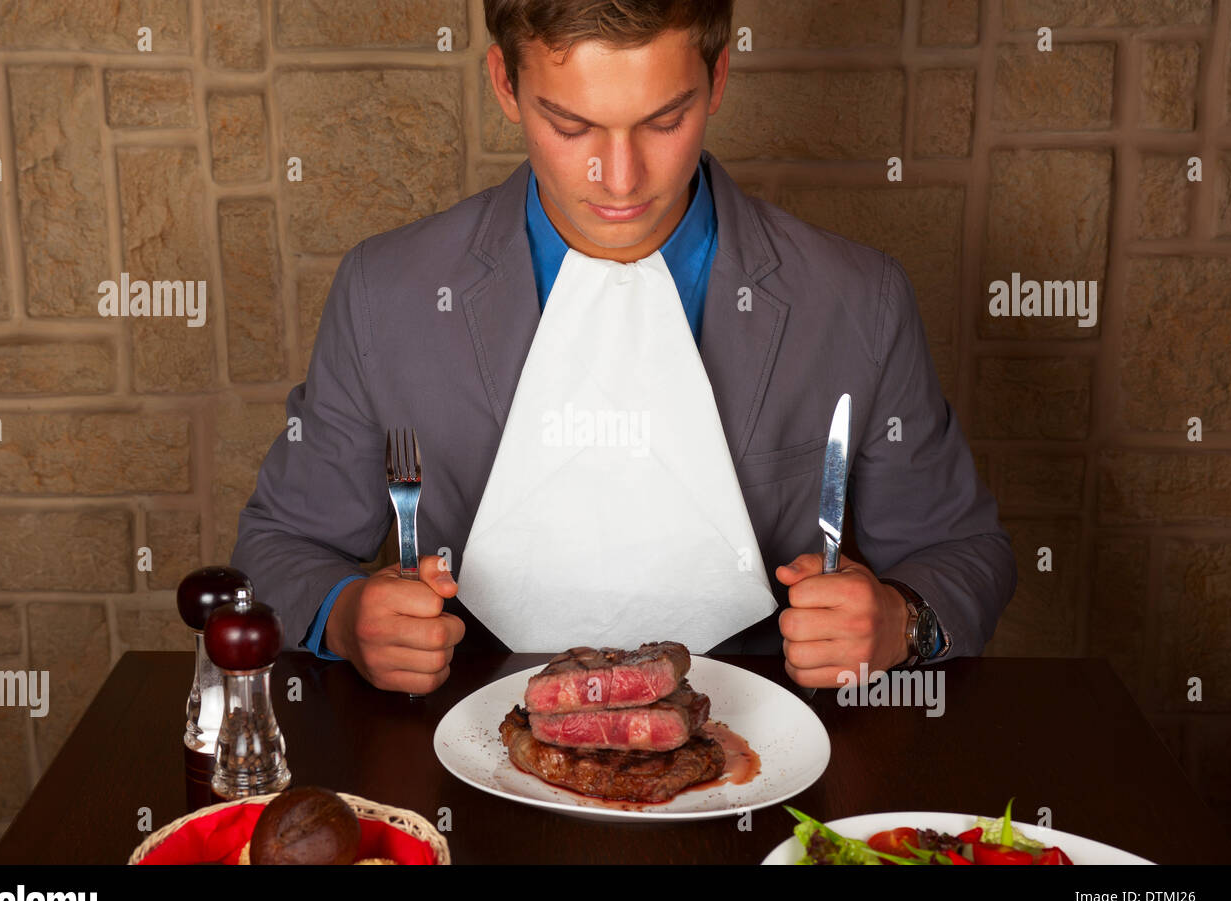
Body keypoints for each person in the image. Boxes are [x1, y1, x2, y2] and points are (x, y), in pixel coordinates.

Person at [231, 0, 1016, 695]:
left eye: (664, 121)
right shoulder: (386, 294)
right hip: (466, 776)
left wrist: (901, 621)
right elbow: (277, 546)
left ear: (717, 78)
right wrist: (344, 618)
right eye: (571, 126)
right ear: (504, 83)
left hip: (759, 780)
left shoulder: (857, 299)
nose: (620, 176)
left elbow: (963, 550)